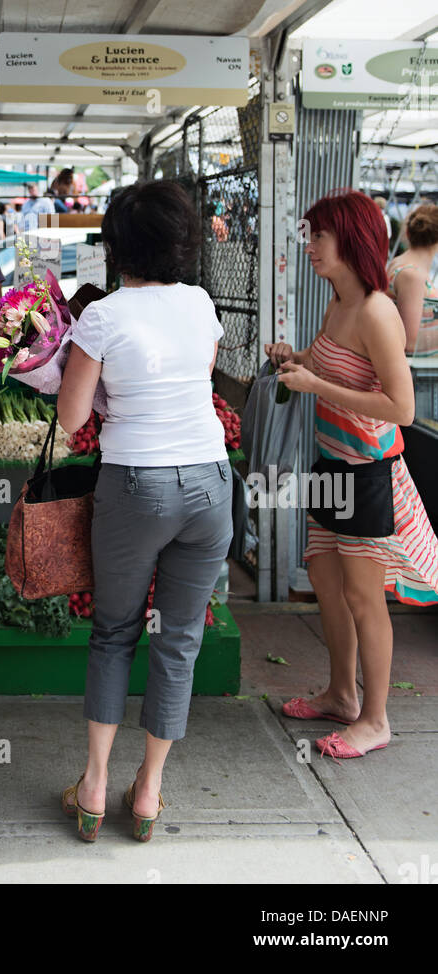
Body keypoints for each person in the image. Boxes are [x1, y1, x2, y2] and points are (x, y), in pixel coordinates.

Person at [56, 180, 232, 842]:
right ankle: (148, 793)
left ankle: (95, 785)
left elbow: (73, 419)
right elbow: (195, 381)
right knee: (178, 640)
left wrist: (82, 387)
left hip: (136, 486)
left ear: (116, 245)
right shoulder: (200, 305)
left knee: (113, 634)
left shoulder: (102, 316)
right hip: (210, 486)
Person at [269, 190, 438, 760]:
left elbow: (402, 409)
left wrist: (315, 385)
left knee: (366, 598)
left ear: (352, 239)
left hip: (368, 474)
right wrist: (295, 360)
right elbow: (328, 367)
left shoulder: (376, 311)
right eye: (310, 235)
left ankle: (376, 718)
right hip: (329, 465)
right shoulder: (337, 304)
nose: (311, 246)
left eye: (320, 236)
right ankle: (341, 695)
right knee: (324, 580)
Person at [386, 203, 438, 357]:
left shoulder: (400, 264)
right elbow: (409, 342)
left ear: (408, 233)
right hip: (415, 376)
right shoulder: (412, 276)